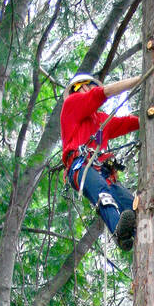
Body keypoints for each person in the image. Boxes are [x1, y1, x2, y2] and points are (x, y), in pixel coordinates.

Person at [61, 71, 140, 250]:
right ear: (82, 87)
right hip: (81, 166)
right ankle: (119, 233)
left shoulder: (101, 120)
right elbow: (101, 94)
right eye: (91, 87)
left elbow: (127, 122)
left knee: (135, 208)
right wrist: (139, 80)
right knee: (104, 195)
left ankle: (135, 238)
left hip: (104, 172)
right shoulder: (71, 105)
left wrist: (152, 118)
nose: (94, 90)